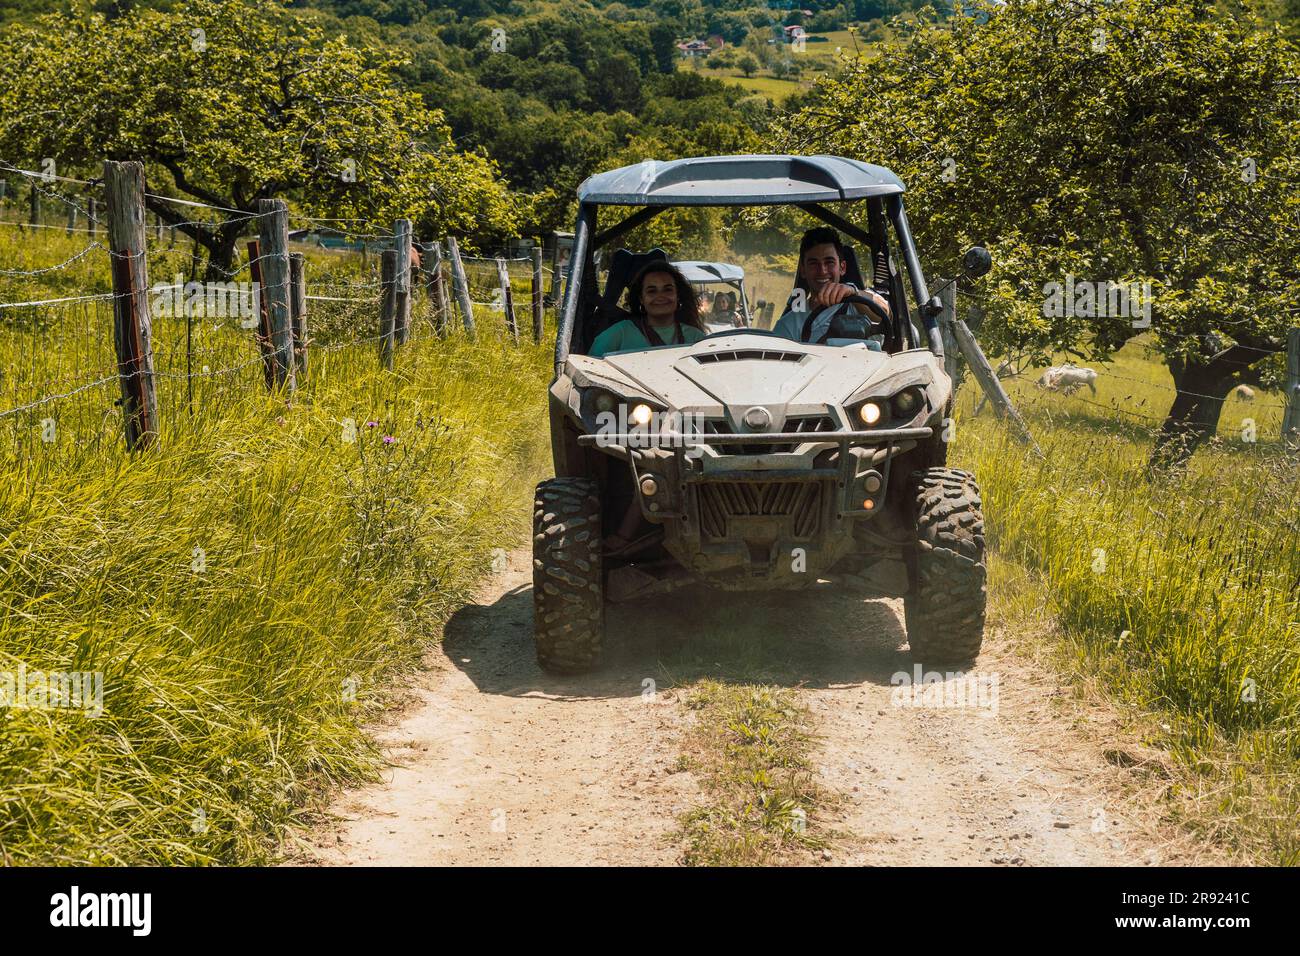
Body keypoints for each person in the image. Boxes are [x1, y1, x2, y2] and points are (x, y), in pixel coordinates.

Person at [772, 227, 891, 343]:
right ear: (803, 270)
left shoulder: (858, 304)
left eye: (829, 262)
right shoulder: (789, 324)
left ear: (842, 267)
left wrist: (855, 293)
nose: (822, 271)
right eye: (814, 263)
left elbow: (885, 313)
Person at [590, 262, 708, 358]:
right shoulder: (619, 334)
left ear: (678, 295)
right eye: (652, 291)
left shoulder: (695, 338)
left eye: (667, 290)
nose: (660, 296)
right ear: (641, 298)